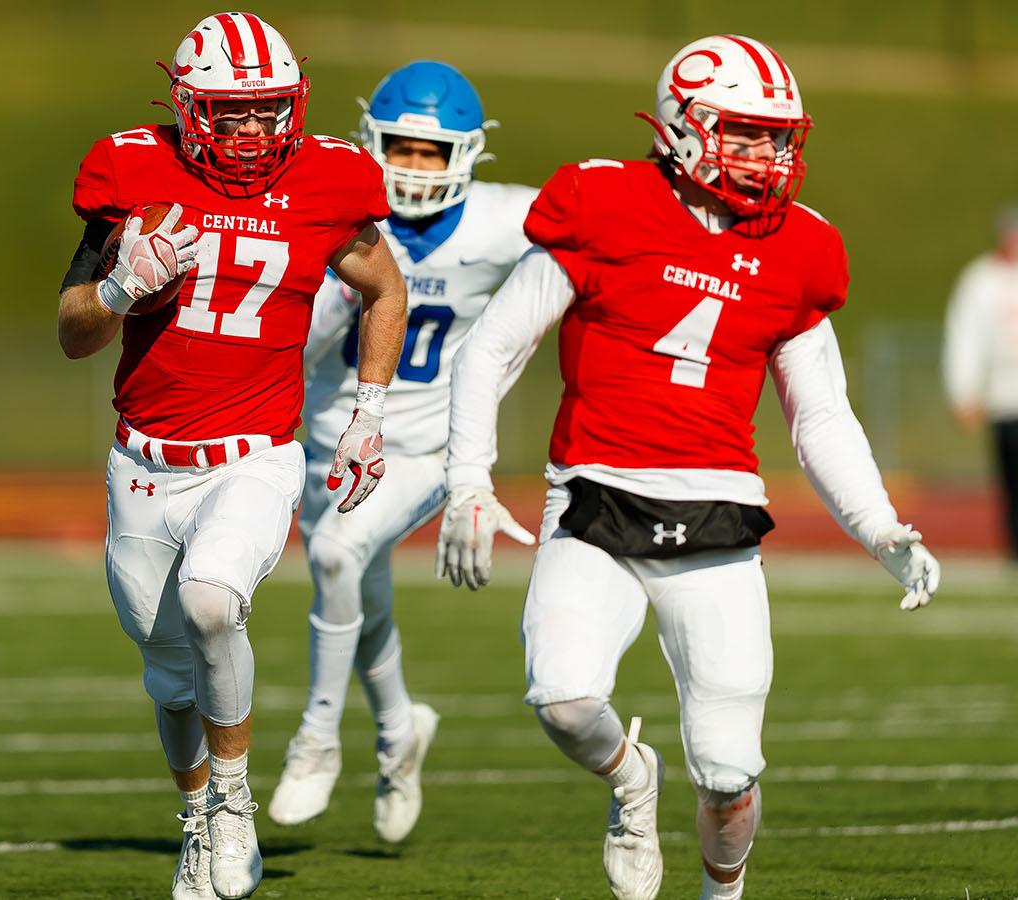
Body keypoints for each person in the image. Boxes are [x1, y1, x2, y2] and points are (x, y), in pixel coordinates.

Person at [436, 35, 942, 900]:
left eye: (778, 138)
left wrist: (880, 525)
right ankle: (633, 780)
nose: (768, 157)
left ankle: (722, 893)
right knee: (561, 700)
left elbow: (819, 413)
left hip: (716, 517)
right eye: (744, 134)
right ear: (680, 124)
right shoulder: (602, 202)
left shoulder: (801, 247)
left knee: (728, 771)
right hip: (593, 502)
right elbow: (492, 347)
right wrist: (467, 480)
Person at [57, 12, 408, 899]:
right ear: (186, 107)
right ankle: (196, 817)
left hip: (255, 454)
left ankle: (234, 804)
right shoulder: (135, 172)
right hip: (144, 462)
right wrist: (120, 288)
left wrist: (369, 411)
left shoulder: (327, 179)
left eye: (266, 111)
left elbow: (384, 286)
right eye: (229, 112)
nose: (252, 131)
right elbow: (72, 332)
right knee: (169, 677)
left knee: (213, 604)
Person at [268, 60, 536, 843]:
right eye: (401, 148)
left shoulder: (501, 222)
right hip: (326, 445)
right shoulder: (335, 210)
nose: (413, 168)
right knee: (362, 597)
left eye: (431, 152)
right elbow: (298, 340)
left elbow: (602, 237)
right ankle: (398, 736)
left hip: (422, 446)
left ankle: (317, 741)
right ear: (370, 141)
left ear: (466, 156)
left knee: (340, 558)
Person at [943, 204, 1018, 560]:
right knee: (1012, 480)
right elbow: (965, 338)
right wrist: (964, 390)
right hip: (1005, 399)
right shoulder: (981, 280)